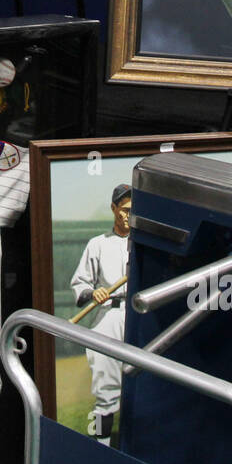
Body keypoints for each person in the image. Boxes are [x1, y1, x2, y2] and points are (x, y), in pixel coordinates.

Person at [69, 183, 132, 445]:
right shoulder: (98, 244)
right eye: (125, 209)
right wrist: (92, 293)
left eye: (133, 210)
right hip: (107, 316)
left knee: (143, 386)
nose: (128, 215)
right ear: (114, 208)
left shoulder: (146, 245)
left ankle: (136, 447)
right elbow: (80, 283)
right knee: (106, 391)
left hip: (138, 314)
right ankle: (100, 447)